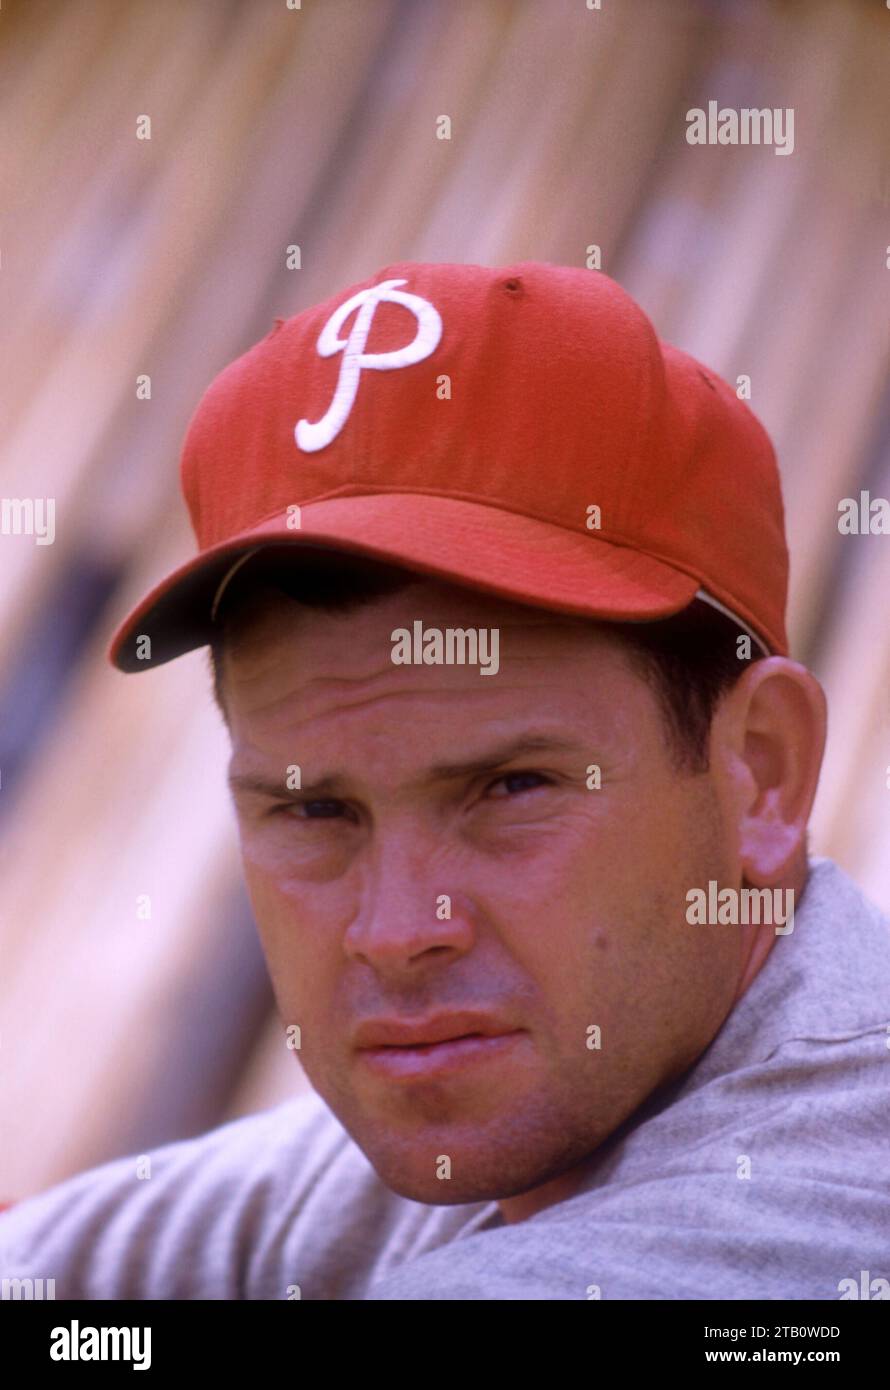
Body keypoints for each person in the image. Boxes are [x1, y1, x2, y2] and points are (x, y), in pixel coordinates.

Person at [2, 261, 888, 1301]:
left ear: (762, 772)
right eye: (314, 808)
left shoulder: (823, 1212)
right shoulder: (540, 1093)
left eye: (510, 788)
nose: (394, 929)